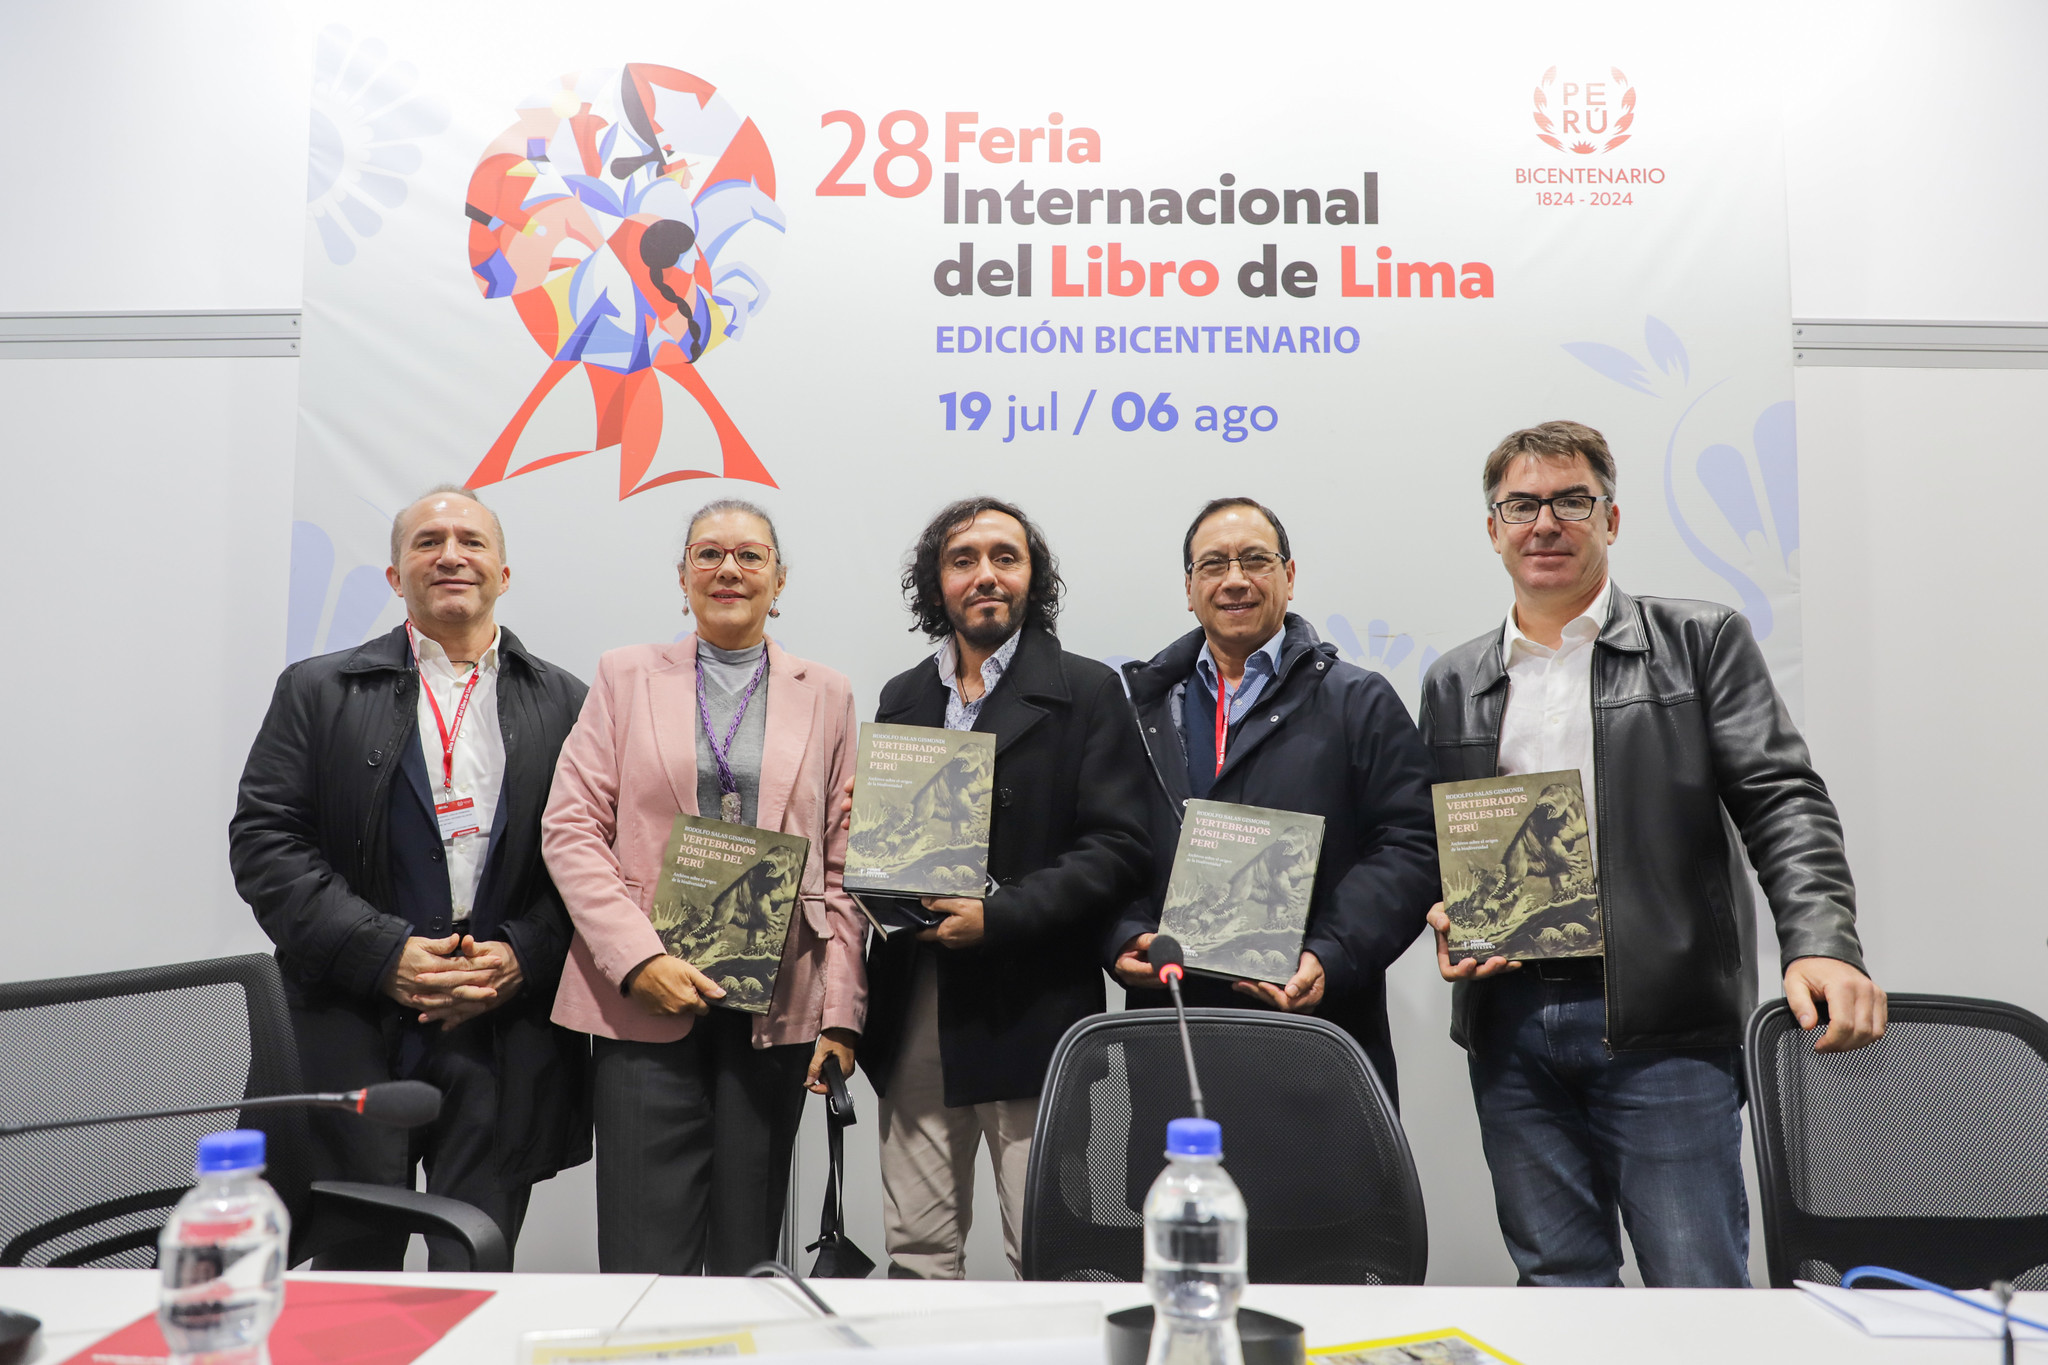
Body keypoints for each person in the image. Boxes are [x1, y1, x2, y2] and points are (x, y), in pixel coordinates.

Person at [1419, 421, 1887, 1287]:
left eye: (1571, 500)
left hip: (1665, 1024)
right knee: (1558, 1284)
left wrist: (1822, 940)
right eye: (1521, 504)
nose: (1546, 522)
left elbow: (1783, 798)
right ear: (1493, 527)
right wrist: (1449, 916)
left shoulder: (1700, 640)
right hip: (1512, 1026)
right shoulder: (1454, 678)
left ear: (1612, 517)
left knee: (1695, 1285)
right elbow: (1446, 840)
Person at [230, 484, 589, 1267]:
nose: (451, 554)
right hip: (350, 1025)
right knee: (353, 1282)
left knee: (477, 1270)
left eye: (471, 540)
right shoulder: (316, 690)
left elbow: (597, 864)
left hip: (498, 1034)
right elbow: (267, 844)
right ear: (396, 576)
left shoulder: (569, 702)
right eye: (428, 542)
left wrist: (525, 954)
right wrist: (384, 953)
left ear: (503, 571)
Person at [542, 499, 864, 1275]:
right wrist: (636, 959)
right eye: (709, 553)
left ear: (778, 580)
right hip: (645, 1000)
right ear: (682, 575)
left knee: (749, 1253)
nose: (729, 569)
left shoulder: (827, 692)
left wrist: (842, 1014)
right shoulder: (624, 675)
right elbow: (571, 826)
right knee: (642, 1252)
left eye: (751, 556)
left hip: (778, 1005)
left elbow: (846, 862)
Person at [859, 496, 1151, 1279]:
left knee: (1052, 1249)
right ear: (937, 583)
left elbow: (1120, 846)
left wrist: (1003, 914)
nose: (985, 574)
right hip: (916, 998)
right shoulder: (901, 697)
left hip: (1034, 1004)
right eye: (963, 559)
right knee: (917, 1249)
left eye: (1005, 557)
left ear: (1032, 577)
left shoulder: (1088, 691)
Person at [1107, 498, 1439, 1104]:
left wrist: (1328, 955)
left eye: (1254, 560)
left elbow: (1412, 847)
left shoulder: (1358, 701)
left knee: (1318, 1199)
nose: (1235, 579)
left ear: (1289, 576)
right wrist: (1123, 934)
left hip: (1313, 1037)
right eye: (1213, 565)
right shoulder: (1137, 708)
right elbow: (1105, 840)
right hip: (1170, 1032)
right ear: (1189, 588)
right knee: (1184, 1198)